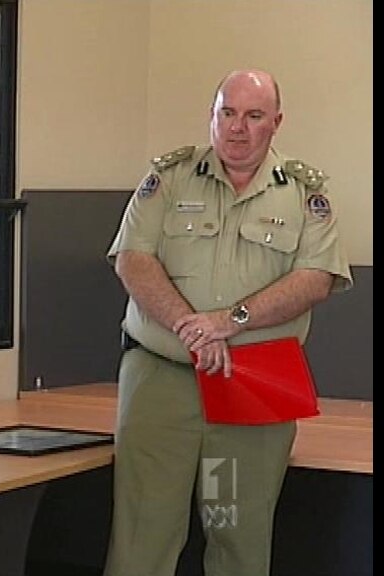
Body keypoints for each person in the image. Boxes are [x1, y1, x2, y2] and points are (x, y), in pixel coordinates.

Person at [103, 69, 351, 576]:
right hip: (161, 375)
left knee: (238, 531)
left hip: (257, 378)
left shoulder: (305, 194)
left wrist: (230, 321)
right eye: (227, 113)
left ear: (276, 123)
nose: (237, 128)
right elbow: (133, 258)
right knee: (142, 533)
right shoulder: (169, 180)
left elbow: (317, 279)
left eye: (253, 116)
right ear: (212, 116)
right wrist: (192, 329)